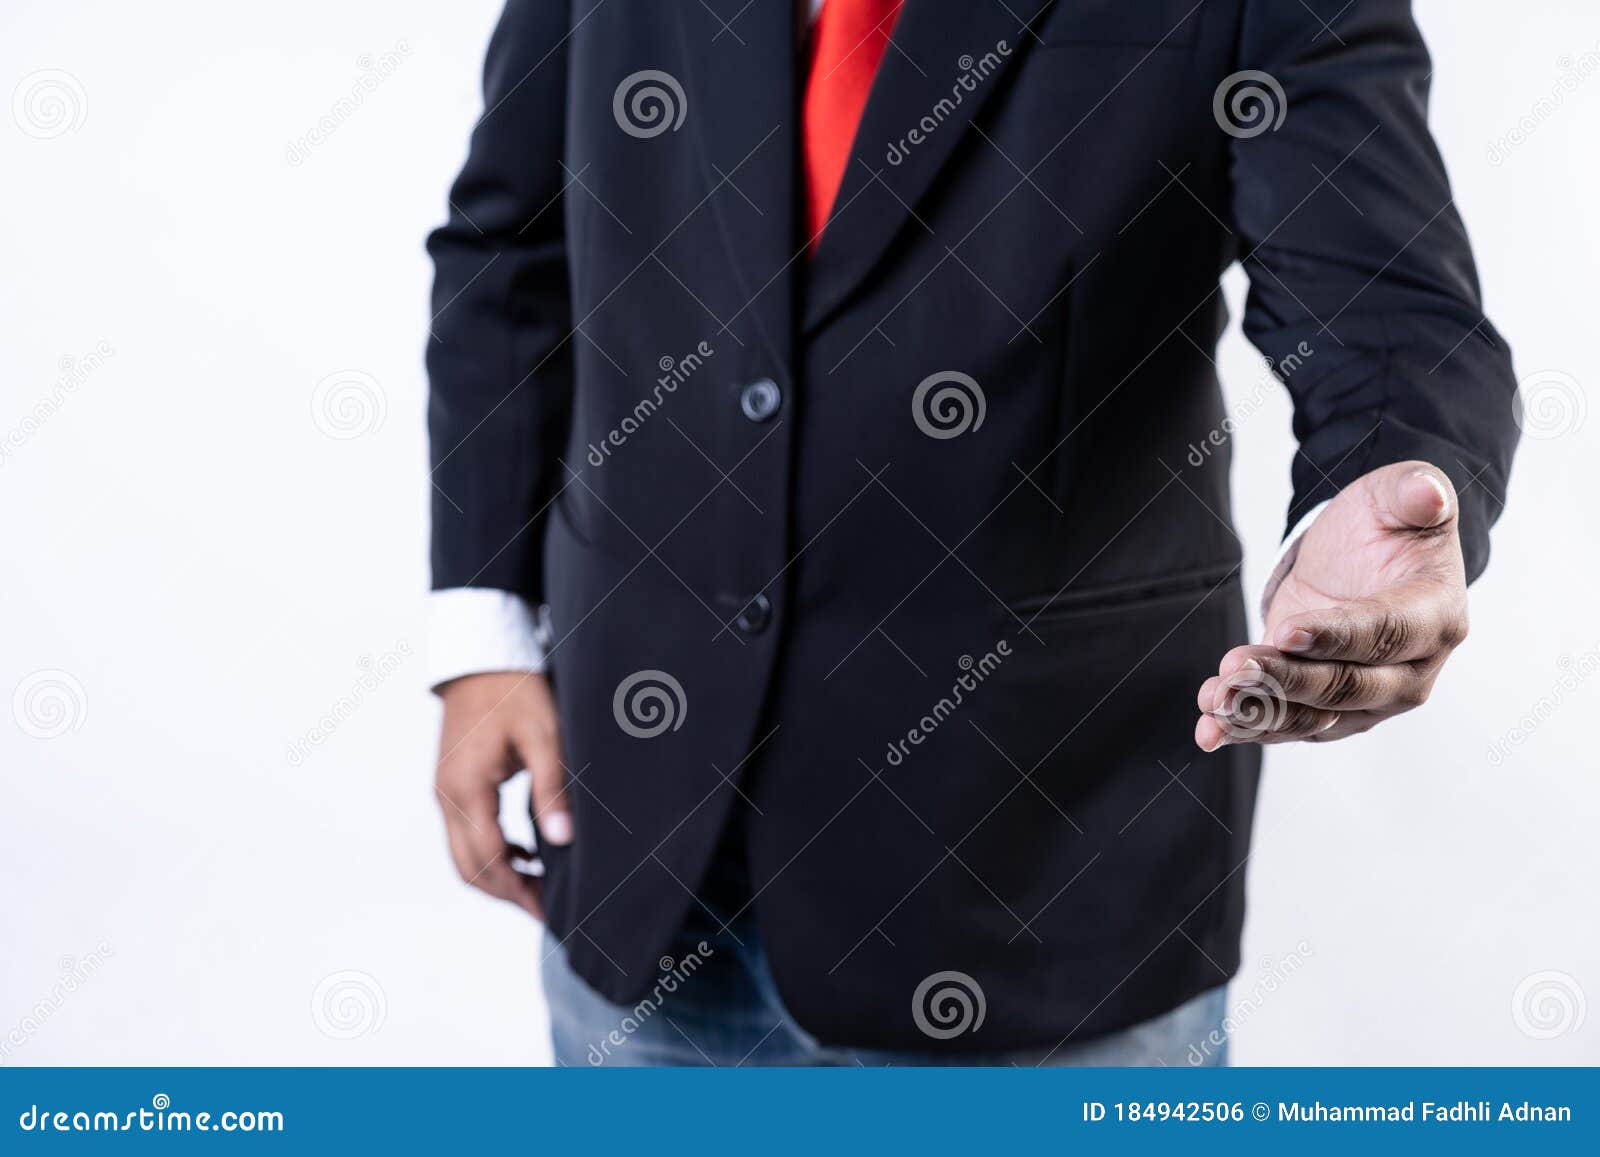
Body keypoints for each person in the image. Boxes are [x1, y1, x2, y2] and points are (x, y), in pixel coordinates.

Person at [424, 0, 1517, 1065]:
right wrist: (483, 630)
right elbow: (507, 246)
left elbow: (1384, 308)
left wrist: (1380, 496)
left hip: (1044, 880)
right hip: (645, 851)